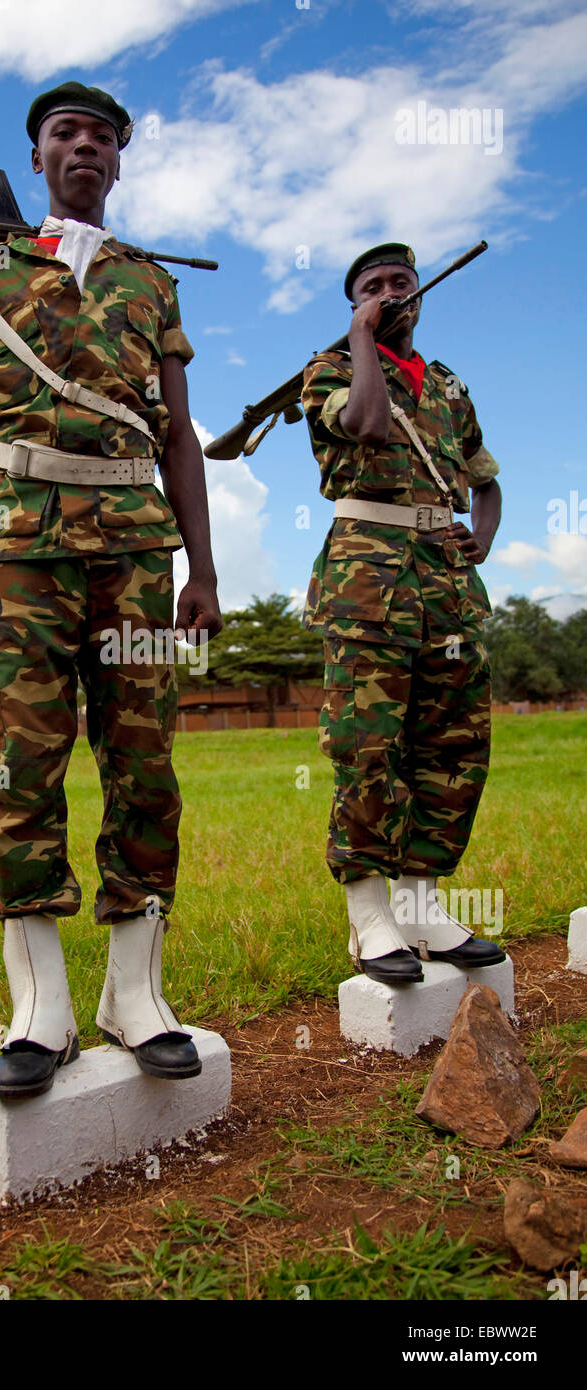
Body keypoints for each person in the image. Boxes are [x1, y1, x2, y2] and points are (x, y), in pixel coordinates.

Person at [0, 81, 221, 1096]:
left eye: (102, 136)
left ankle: (134, 995)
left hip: (138, 553)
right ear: (36, 158)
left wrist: (202, 566)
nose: (84, 147)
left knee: (144, 763)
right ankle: (40, 1011)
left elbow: (179, 436)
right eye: (64, 133)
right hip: (21, 546)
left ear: (117, 162)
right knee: (23, 766)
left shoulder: (149, 284)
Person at [300, 243, 506, 985]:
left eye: (400, 282)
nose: (389, 293)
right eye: (371, 287)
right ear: (354, 302)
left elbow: (485, 480)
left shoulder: (449, 384)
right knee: (367, 744)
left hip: (447, 582)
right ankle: (369, 914)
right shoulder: (328, 369)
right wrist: (361, 338)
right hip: (368, 573)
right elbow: (366, 425)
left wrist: (478, 539)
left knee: (453, 743)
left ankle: (421, 906)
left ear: (420, 293)